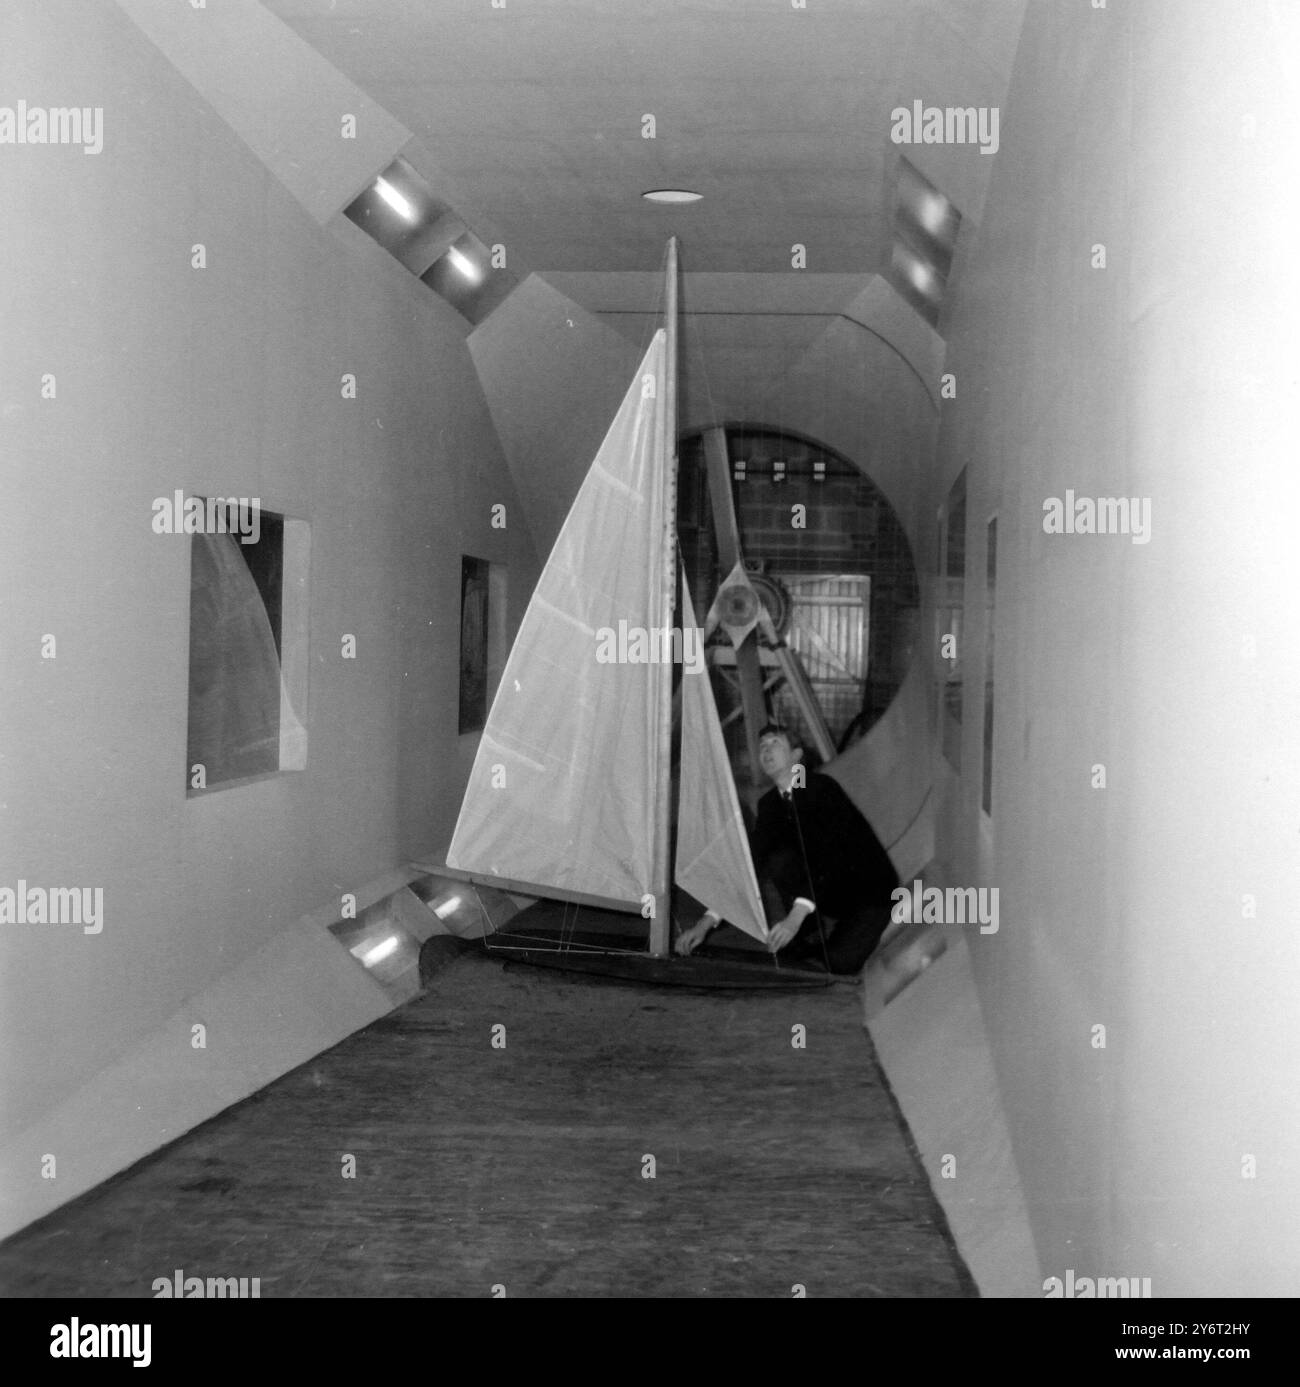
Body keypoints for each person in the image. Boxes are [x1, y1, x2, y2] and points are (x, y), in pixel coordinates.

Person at [675, 723, 899, 975]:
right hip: (828, 894)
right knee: (777, 858)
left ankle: (822, 931)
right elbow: (750, 864)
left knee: (839, 963)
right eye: (762, 746)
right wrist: (706, 923)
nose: (766, 750)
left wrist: (794, 917)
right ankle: (808, 936)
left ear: (796, 756)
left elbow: (828, 858)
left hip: (870, 893)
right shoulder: (770, 804)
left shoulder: (820, 788)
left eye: (776, 743)